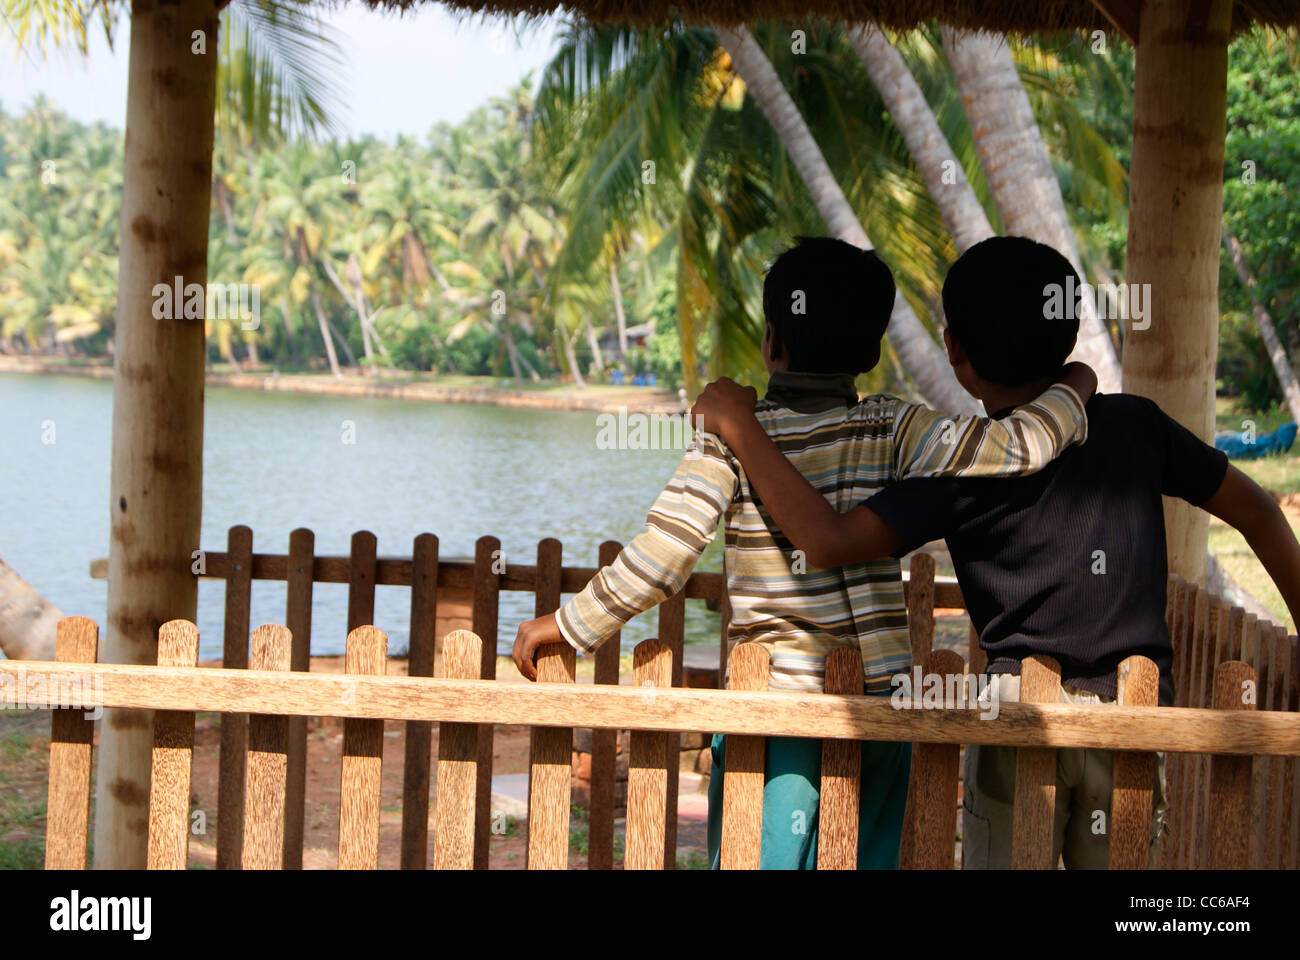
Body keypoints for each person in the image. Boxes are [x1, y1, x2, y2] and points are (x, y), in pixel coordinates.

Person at [690, 235, 1300, 869]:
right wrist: (1081, 378)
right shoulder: (1136, 427)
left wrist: (741, 427)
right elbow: (1259, 512)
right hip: (1133, 716)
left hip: (1016, 721)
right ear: (1067, 330)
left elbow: (828, 540)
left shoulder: (961, 466)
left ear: (954, 350)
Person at [512, 236, 1095, 869]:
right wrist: (1078, 379)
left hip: (775, 717)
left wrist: (570, 624)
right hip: (879, 716)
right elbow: (1022, 446)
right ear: (872, 353)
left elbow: (664, 556)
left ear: (773, 342)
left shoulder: (730, 438)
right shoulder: (895, 427)